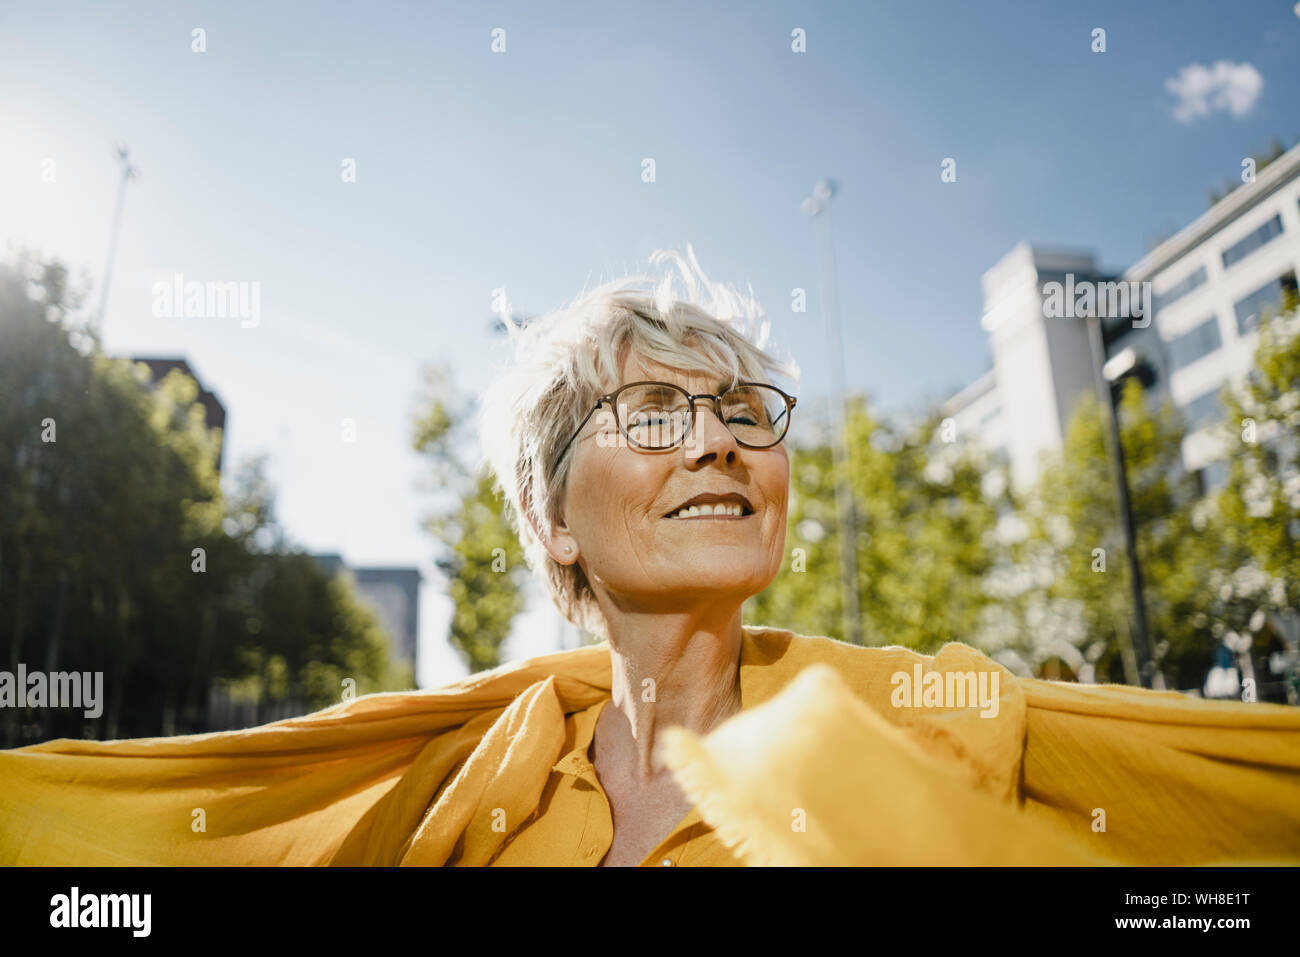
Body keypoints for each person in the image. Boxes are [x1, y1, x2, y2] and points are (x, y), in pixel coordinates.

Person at [2, 246, 1298, 867]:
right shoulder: (464, 785)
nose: (721, 444)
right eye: (656, 415)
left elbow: (1240, 791)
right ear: (553, 515)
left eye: (744, 414)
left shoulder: (942, 712)